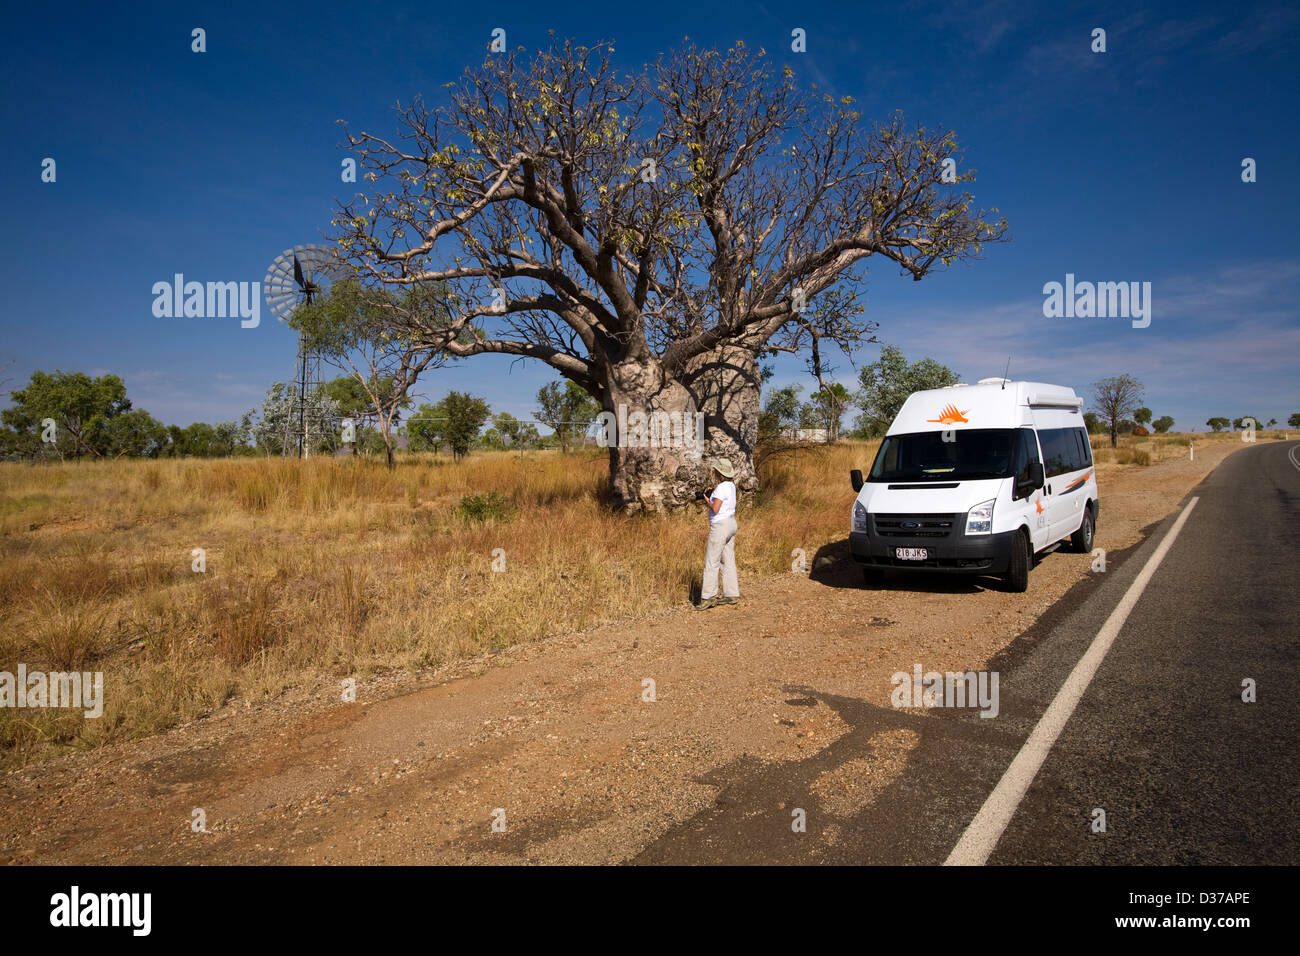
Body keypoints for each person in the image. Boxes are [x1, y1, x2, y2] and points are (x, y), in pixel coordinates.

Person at [695, 458, 739, 610]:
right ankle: (731, 593)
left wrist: (708, 499)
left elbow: (715, 508)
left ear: (719, 472)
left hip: (720, 526)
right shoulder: (731, 486)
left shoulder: (721, 487)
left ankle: (708, 597)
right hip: (731, 523)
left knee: (712, 561)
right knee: (728, 560)